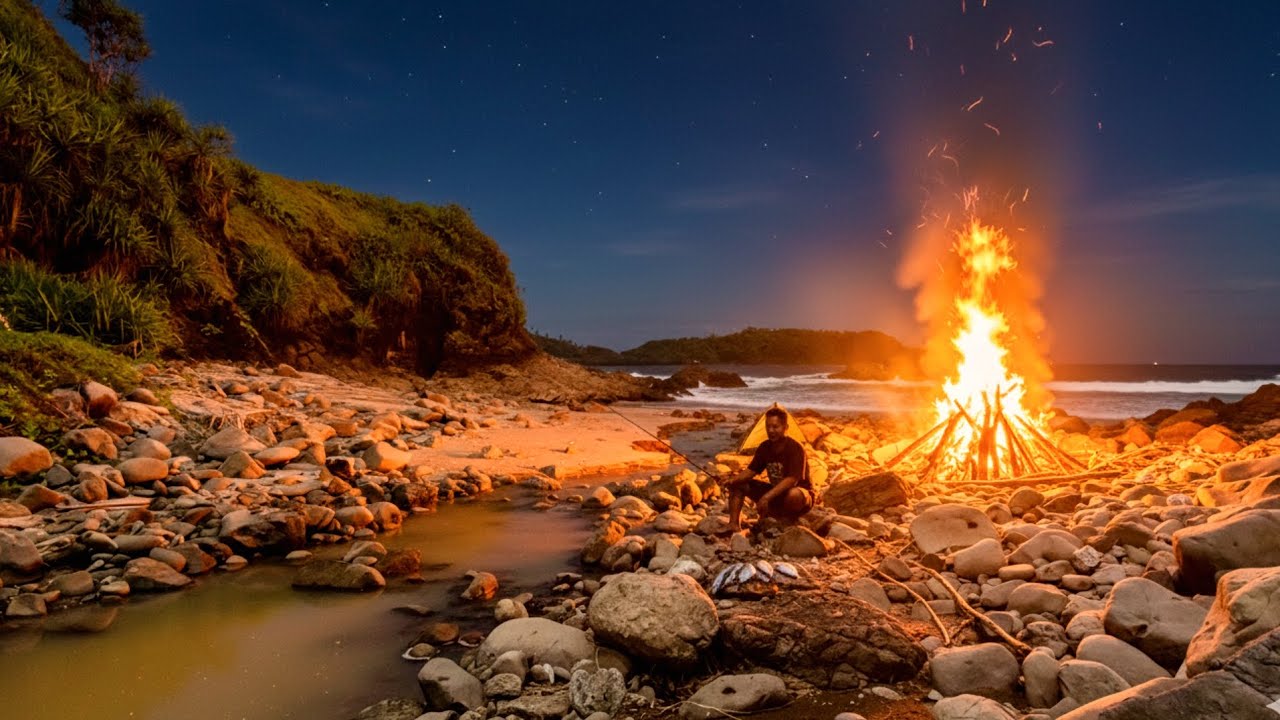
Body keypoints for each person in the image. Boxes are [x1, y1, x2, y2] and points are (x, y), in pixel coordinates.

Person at [722, 406, 814, 531]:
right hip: (776, 494)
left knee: (794, 494)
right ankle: (733, 524)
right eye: (768, 427)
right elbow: (750, 472)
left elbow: (792, 479)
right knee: (738, 484)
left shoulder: (795, 448)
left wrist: (766, 497)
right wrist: (731, 480)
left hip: (800, 497)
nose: (771, 431)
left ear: (785, 428)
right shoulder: (764, 447)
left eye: (775, 427)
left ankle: (787, 520)